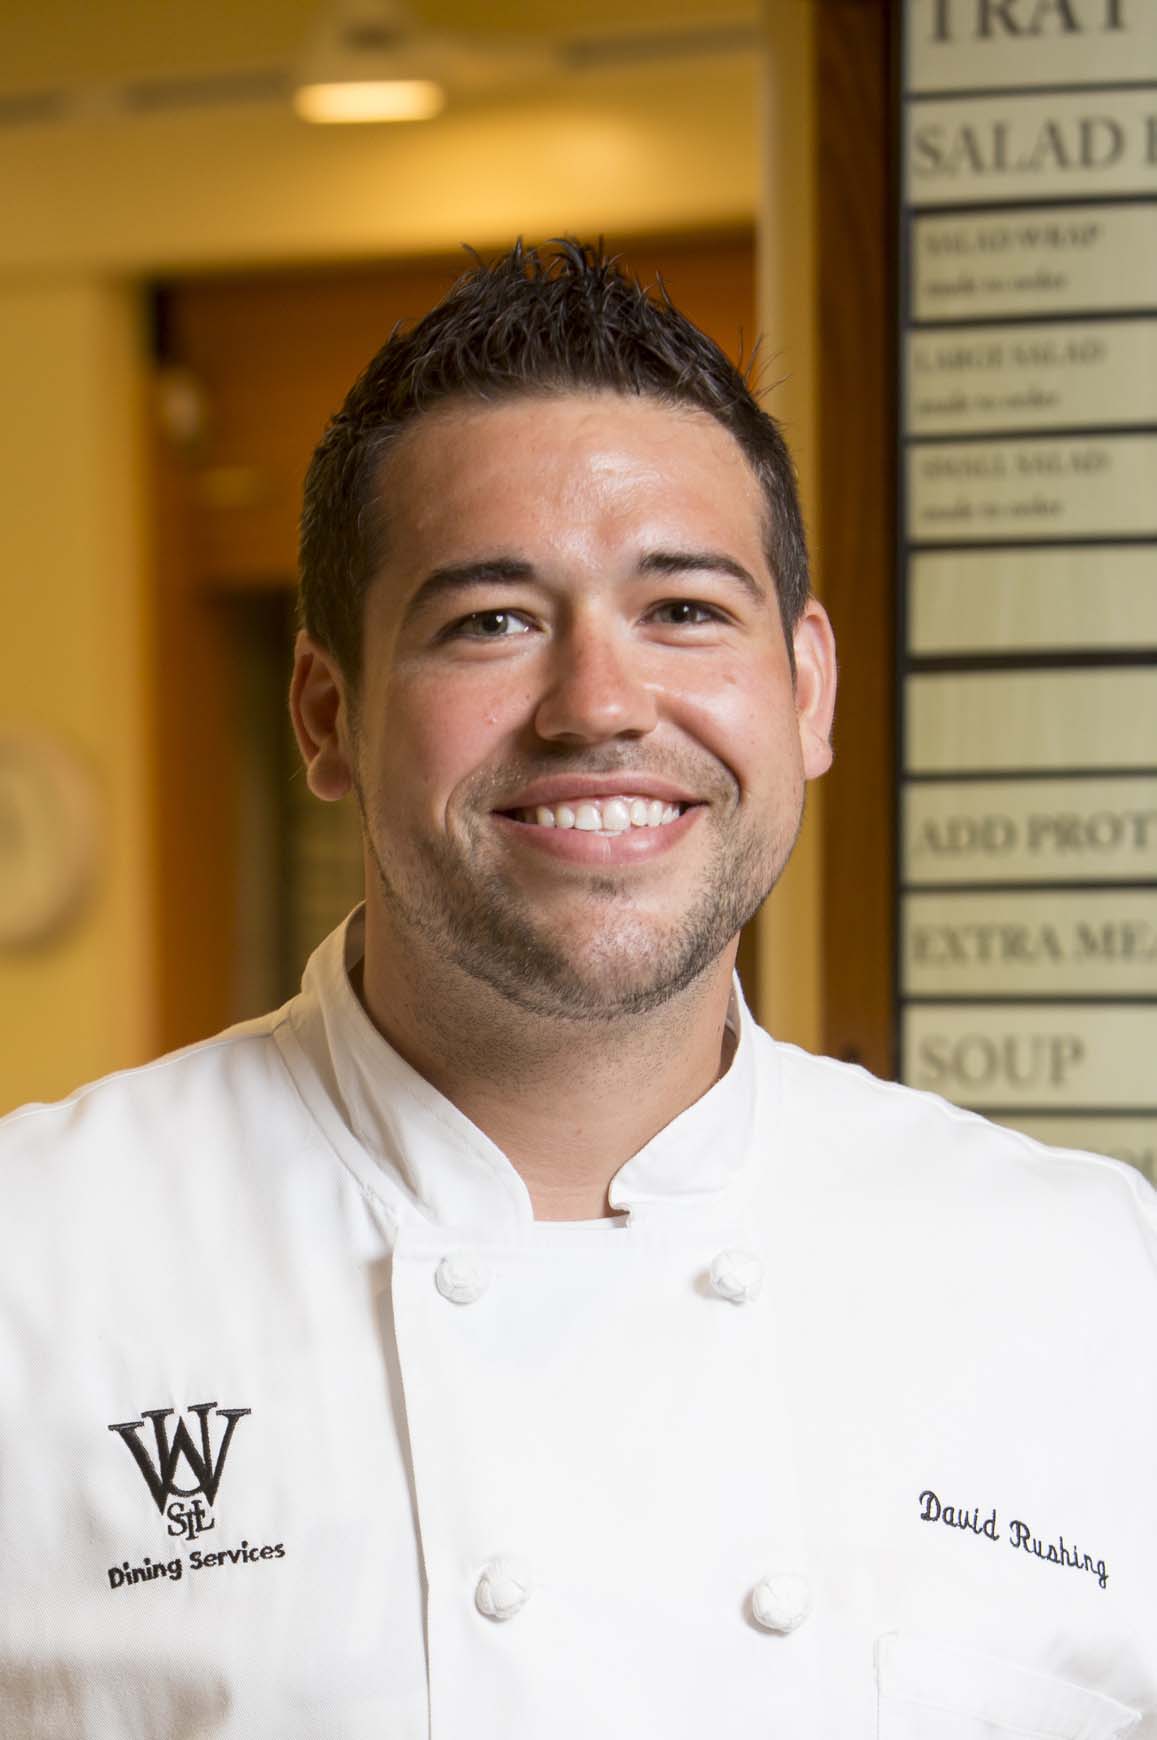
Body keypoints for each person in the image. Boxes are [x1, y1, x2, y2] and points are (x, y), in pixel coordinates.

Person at [0, 240, 1153, 1739]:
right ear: (326, 713)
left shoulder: (1092, 1282)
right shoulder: (38, 1264)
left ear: (804, 691)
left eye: (682, 609)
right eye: (490, 622)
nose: (600, 705)